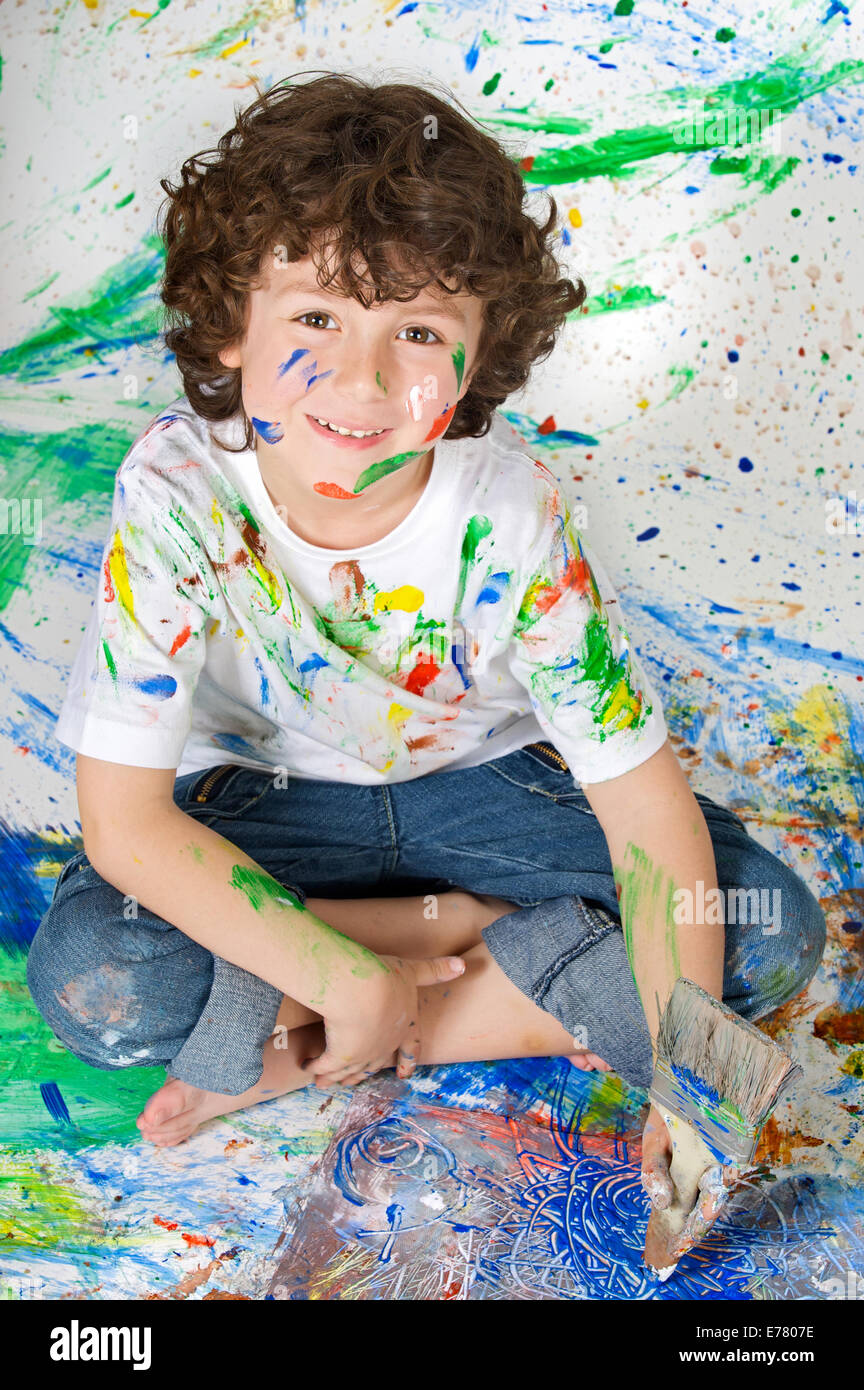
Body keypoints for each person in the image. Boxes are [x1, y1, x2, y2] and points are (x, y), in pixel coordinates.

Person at [27, 75, 824, 1242]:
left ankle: (309, 1039)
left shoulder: (510, 512)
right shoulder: (177, 493)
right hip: (276, 812)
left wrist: (694, 1092)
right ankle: (453, 953)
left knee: (767, 934)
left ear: (479, 353)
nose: (359, 381)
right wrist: (351, 972)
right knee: (96, 976)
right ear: (228, 322)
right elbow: (129, 827)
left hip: (493, 797)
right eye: (314, 320)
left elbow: (650, 822)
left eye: (416, 332)